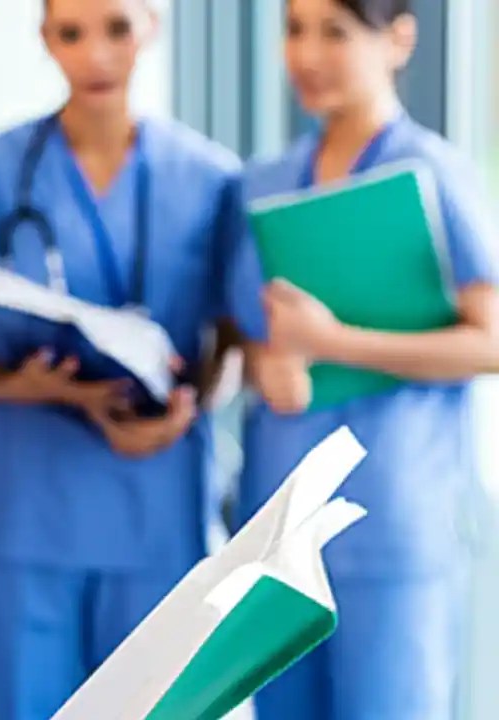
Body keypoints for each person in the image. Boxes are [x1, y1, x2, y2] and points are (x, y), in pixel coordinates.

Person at [0, 0, 241, 717]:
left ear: (152, 28)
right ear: (46, 39)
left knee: (154, 703)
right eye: (71, 33)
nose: (96, 54)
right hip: (25, 499)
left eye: (118, 28)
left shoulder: (211, 180)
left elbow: (232, 338)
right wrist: (20, 384)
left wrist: (190, 407)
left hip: (154, 497)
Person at [228, 1, 499, 717]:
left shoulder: (434, 173)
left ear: (399, 39)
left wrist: (333, 342)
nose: (306, 55)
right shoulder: (263, 183)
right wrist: (264, 362)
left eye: (335, 32)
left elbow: (491, 342)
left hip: (394, 516)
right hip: (280, 520)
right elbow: (240, 329)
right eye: (294, 30)